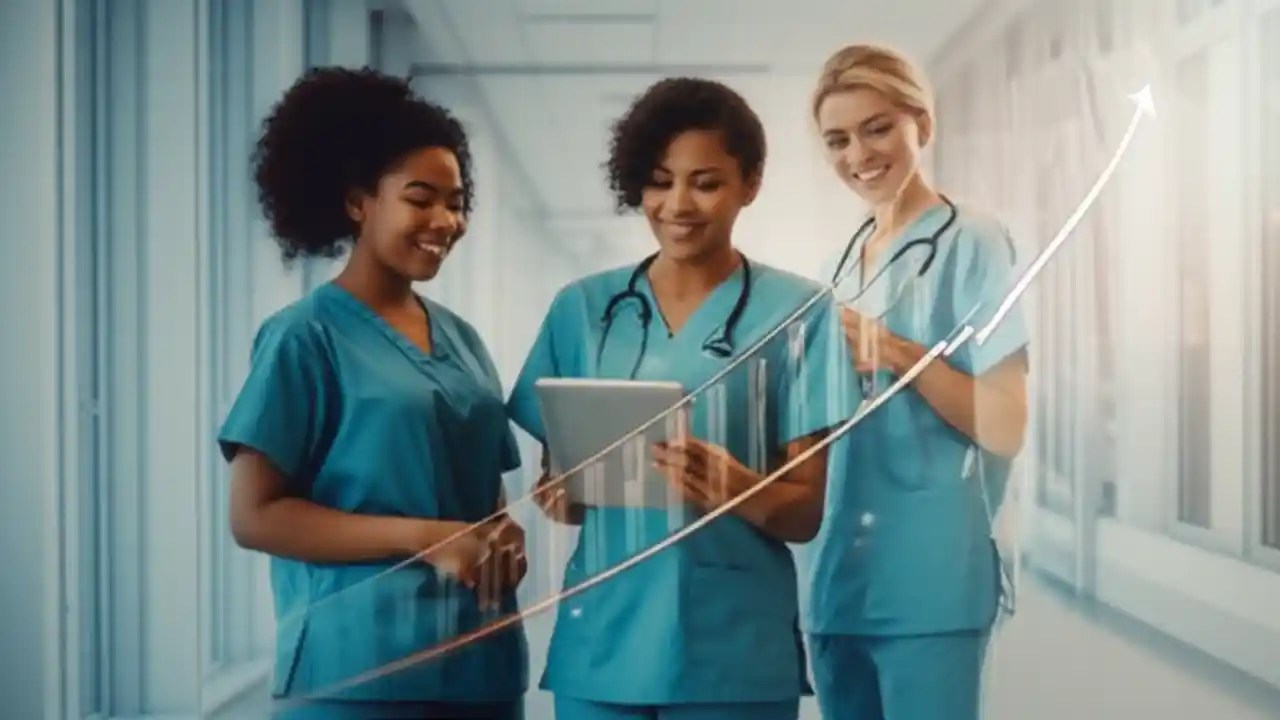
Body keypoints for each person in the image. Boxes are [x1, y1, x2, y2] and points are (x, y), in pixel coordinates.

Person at [505, 77, 855, 720]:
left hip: (732, 650)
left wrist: (734, 485)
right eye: (660, 181)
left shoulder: (801, 313)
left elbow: (806, 514)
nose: (678, 204)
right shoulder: (583, 310)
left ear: (750, 184)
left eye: (706, 181)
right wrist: (560, 490)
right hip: (602, 640)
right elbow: (559, 496)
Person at [217, 67, 528, 719]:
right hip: (356, 674)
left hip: (481, 669)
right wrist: (424, 537)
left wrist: (503, 538)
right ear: (359, 201)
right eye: (422, 198)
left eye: (457, 200)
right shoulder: (305, 338)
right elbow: (255, 516)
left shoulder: (464, 340)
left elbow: (482, 495)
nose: (446, 219)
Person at [803, 44, 1031, 720]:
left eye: (878, 128)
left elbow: (1006, 423)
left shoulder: (974, 243)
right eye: (837, 139)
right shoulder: (838, 261)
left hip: (930, 575)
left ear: (921, 126)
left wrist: (898, 352)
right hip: (836, 577)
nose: (858, 155)